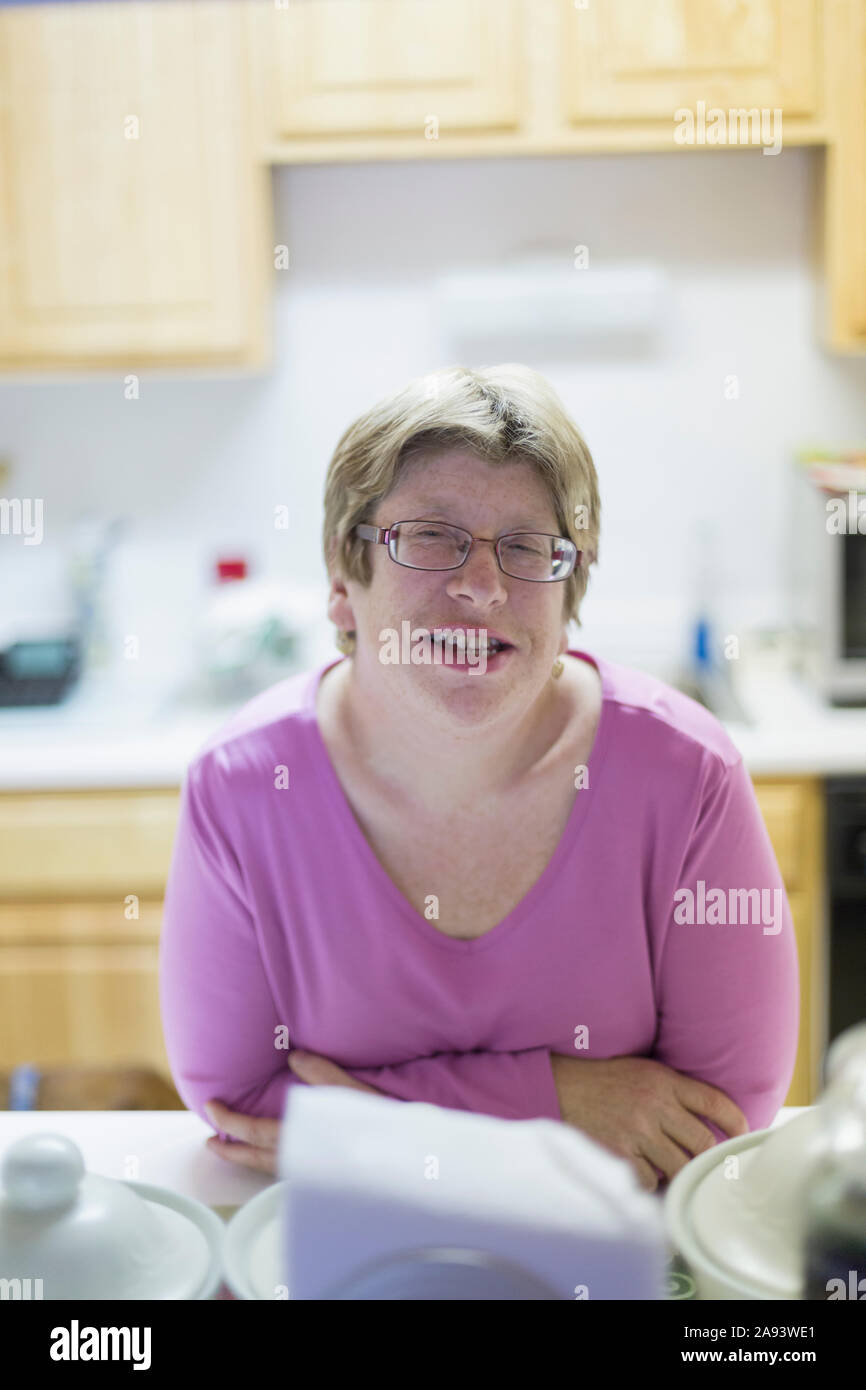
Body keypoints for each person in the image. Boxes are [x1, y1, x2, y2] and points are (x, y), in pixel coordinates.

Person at [159, 363, 799, 1193]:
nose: (482, 586)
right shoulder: (242, 790)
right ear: (344, 577)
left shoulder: (689, 777)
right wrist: (559, 1104)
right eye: (432, 535)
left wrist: (361, 1133)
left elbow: (720, 1119)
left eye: (528, 547)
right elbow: (240, 1106)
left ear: (570, 588)